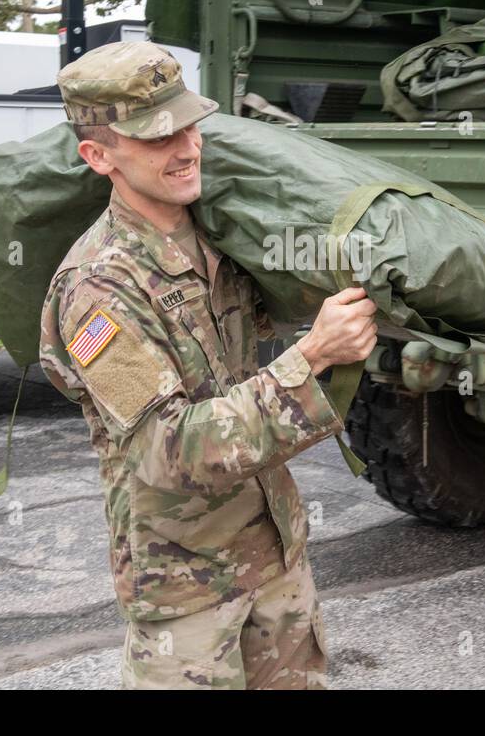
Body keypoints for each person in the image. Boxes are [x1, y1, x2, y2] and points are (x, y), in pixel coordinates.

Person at [39, 41, 377, 689]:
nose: (185, 146)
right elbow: (169, 452)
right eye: (156, 137)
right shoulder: (98, 292)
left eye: (189, 125)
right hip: (186, 589)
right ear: (98, 155)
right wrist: (312, 358)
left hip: (275, 554)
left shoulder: (221, 235)